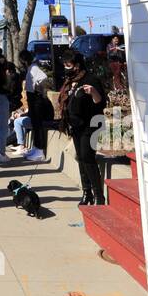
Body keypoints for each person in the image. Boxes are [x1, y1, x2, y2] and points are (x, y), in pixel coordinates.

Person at [64, 65, 107, 205]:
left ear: (77, 65)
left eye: (68, 65)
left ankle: (99, 196)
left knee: (88, 158)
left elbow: (100, 102)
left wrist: (93, 92)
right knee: (81, 158)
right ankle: (86, 192)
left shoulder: (91, 80)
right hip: (76, 126)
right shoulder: (70, 80)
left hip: (90, 124)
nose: (66, 68)